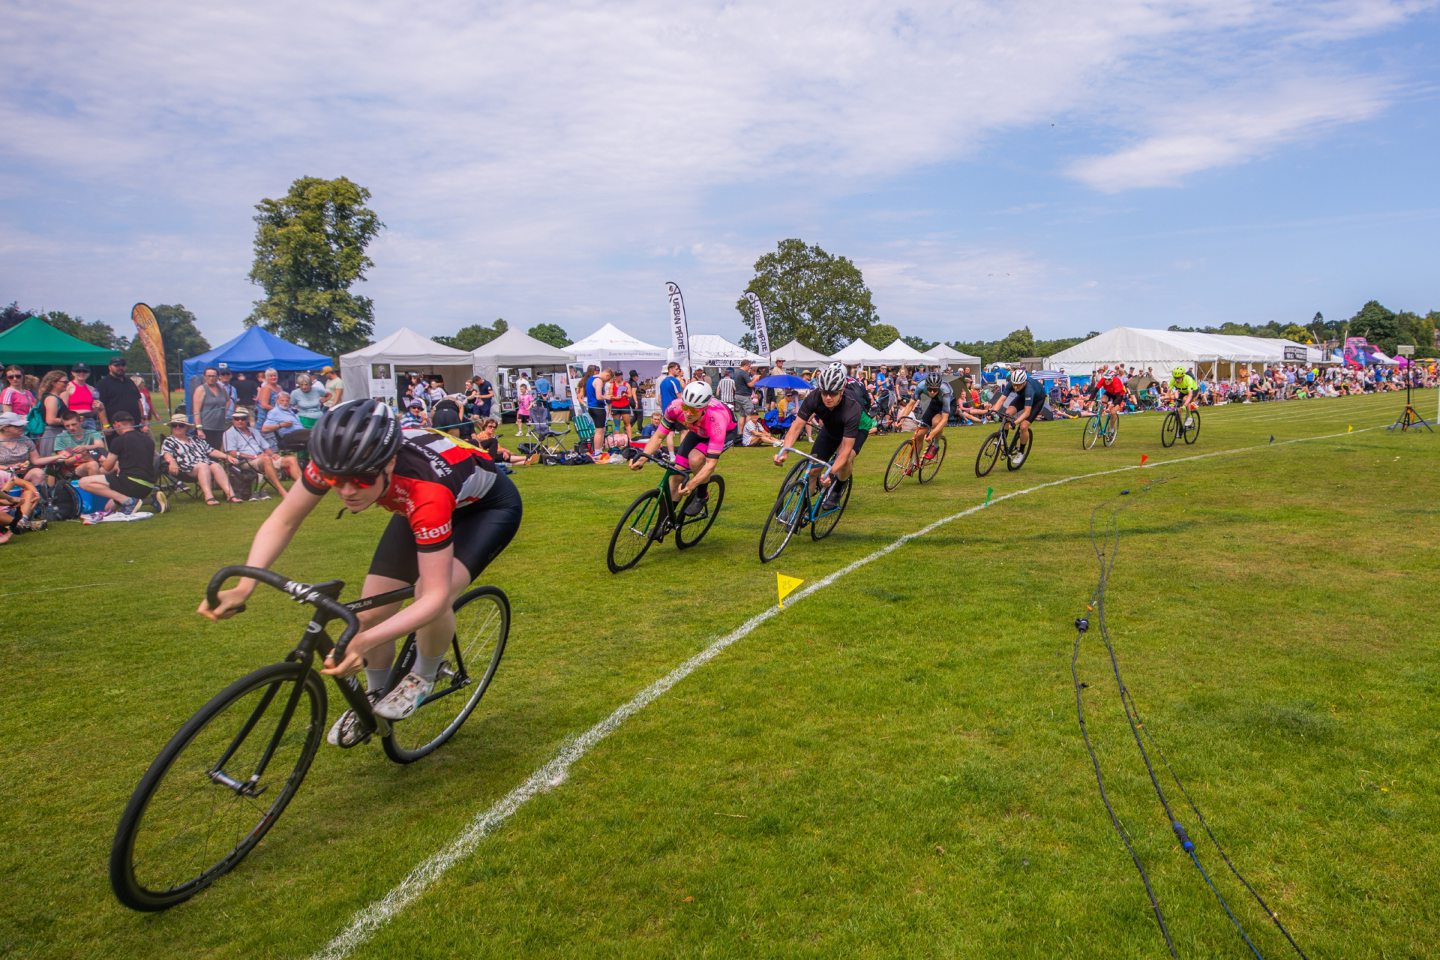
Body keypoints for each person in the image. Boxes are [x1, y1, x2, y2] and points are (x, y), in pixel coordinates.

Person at [198, 398, 524, 745]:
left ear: (390, 462)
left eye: (362, 480)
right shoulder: (339, 461)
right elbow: (284, 519)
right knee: (370, 613)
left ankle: (422, 677)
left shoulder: (424, 491)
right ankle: (374, 695)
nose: (347, 491)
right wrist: (245, 586)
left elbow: (434, 596)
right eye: (336, 481)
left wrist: (365, 642)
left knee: (429, 596)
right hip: (414, 501)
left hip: (485, 510)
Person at [630, 379, 735, 517]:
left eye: (694, 410)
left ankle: (702, 495)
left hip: (724, 432)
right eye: (686, 407)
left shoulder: (716, 420)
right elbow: (658, 437)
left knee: (695, 458)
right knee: (676, 475)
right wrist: (643, 457)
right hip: (698, 431)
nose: (688, 413)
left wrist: (692, 484)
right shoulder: (675, 407)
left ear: (704, 408)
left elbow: (710, 464)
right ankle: (664, 521)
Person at [772, 363, 867, 511]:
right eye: (825, 393)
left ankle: (837, 489)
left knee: (846, 458)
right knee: (813, 469)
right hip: (831, 428)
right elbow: (797, 426)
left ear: (841, 390)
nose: (828, 398)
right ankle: (802, 507)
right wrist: (784, 450)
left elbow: (847, 449)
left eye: (833, 393)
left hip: (858, 428)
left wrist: (831, 472)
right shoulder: (814, 397)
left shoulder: (852, 407)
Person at [77, 411, 158, 516]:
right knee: (108, 508)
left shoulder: (119, 441)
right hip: (148, 486)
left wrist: (102, 461)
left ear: (117, 424)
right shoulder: (148, 440)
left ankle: (129, 502)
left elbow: (106, 467)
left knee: (83, 482)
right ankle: (151, 499)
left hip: (131, 483)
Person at [161, 414, 241, 504]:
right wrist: (172, 462)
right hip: (185, 468)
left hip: (204, 463)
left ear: (186, 427)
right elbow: (166, 454)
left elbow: (210, 450)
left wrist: (227, 456)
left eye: (181, 425)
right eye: (174, 425)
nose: (177, 427)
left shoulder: (195, 439)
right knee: (203, 466)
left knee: (216, 465)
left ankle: (230, 495)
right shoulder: (169, 441)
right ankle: (209, 496)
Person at [224, 407, 298, 497]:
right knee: (266, 459)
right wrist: (254, 457)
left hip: (262, 458)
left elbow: (266, 447)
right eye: (237, 418)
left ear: (247, 419)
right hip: (245, 462)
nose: (240, 421)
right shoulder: (229, 433)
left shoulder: (254, 431)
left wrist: (273, 454)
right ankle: (281, 490)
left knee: (291, 459)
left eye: (243, 418)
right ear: (233, 420)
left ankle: (303, 488)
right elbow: (232, 453)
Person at [988, 369, 1047, 464]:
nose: (1015, 387)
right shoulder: (1012, 384)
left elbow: (1027, 412)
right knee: (1007, 414)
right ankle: (1003, 439)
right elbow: (1001, 399)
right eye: (1014, 384)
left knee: (1023, 426)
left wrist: (1014, 423)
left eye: (1018, 385)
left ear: (1024, 382)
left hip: (1037, 401)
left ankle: (1021, 452)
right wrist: (993, 411)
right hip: (1022, 397)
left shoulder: (1029, 389)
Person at [896, 371, 953, 468]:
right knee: (919, 435)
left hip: (948, 404)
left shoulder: (945, 391)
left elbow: (944, 420)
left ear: (939, 387)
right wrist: (901, 420)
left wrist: (932, 434)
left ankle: (935, 445)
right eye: (930, 389)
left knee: (936, 421)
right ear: (926, 386)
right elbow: (910, 404)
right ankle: (914, 462)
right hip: (934, 403)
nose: (931, 392)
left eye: (935, 390)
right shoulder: (921, 386)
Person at [53, 411, 107, 478]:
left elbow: (101, 446)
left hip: (96, 462)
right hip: (75, 468)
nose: (71, 428)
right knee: (93, 465)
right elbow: (66, 462)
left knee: (116, 464)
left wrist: (85, 447)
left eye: (74, 424)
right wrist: (80, 455)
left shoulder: (92, 433)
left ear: (81, 421)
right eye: (67, 426)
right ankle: (96, 487)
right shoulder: (60, 437)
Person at [98, 356, 143, 427]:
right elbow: (100, 407)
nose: (120, 367)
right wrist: (106, 425)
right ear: (109, 367)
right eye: (117, 365)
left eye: (123, 365)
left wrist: (143, 419)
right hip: (116, 427)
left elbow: (138, 401)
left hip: (135, 424)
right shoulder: (103, 383)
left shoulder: (130, 382)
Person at [35, 370, 71, 456]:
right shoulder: (52, 398)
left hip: (56, 433)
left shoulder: (55, 397)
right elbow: (50, 420)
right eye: (64, 382)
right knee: (53, 465)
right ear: (53, 383)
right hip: (53, 434)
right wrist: (70, 421)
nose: (67, 384)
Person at [192, 366, 231, 447]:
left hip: (219, 426)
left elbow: (228, 400)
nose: (211, 378)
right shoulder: (201, 390)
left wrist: (224, 411)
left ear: (217, 377)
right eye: (209, 376)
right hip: (206, 426)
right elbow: (196, 411)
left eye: (213, 376)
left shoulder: (221, 388)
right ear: (204, 377)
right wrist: (199, 429)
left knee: (217, 449)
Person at [64, 363, 101, 430]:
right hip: (73, 422)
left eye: (85, 371)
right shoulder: (67, 387)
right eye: (78, 371)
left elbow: (95, 411)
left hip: (89, 420)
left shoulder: (92, 389)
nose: (81, 373)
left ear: (89, 373)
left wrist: (96, 408)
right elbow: (63, 408)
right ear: (73, 373)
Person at [583, 366, 609, 436]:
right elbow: (599, 397)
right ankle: (598, 447)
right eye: (596, 371)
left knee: (600, 430)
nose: (597, 372)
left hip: (592, 407)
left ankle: (599, 446)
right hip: (597, 407)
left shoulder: (589, 380)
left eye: (598, 370)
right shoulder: (597, 380)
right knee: (599, 430)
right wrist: (607, 397)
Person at [609, 368, 634, 437]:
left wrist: (625, 395)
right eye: (617, 376)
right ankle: (616, 441)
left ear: (622, 376)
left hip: (624, 406)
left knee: (627, 424)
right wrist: (615, 397)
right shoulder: (612, 384)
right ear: (615, 376)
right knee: (617, 425)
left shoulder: (626, 384)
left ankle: (630, 440)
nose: (618, 377)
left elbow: (630, 395)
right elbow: (609, 395)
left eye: (619, 375)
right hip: (615, 406)